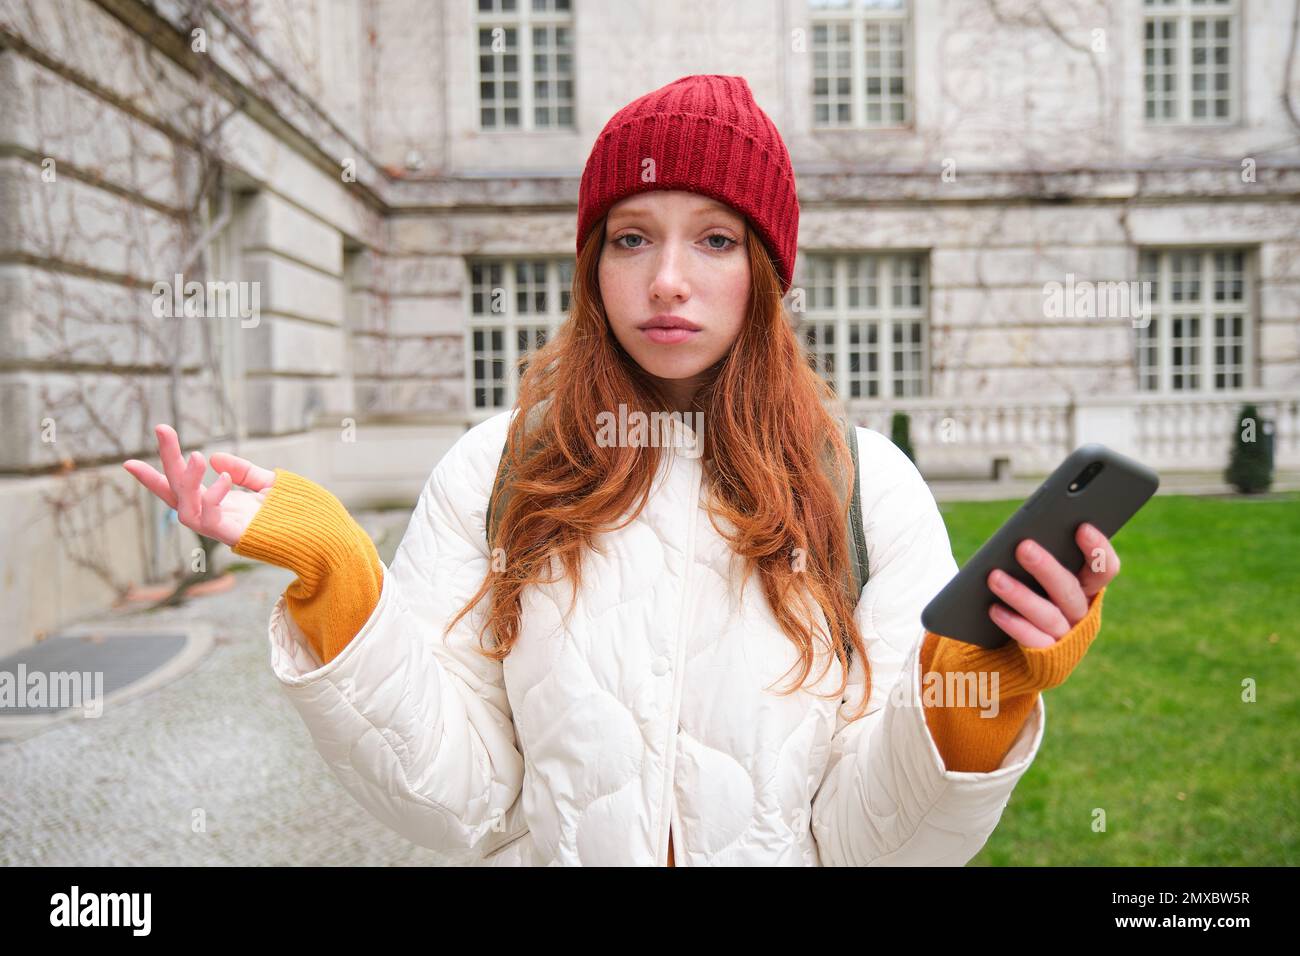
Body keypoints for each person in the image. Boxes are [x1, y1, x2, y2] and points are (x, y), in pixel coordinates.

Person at [124, 74, 1117, 866]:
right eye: (632, 237)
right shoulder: (498, 468)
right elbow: (459, 802)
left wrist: (975, 682)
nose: (668, 279)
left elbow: (875, 842)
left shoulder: (866, 488)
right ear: (593, 265)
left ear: (766, 274)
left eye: (715, 239)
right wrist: (339, 575)